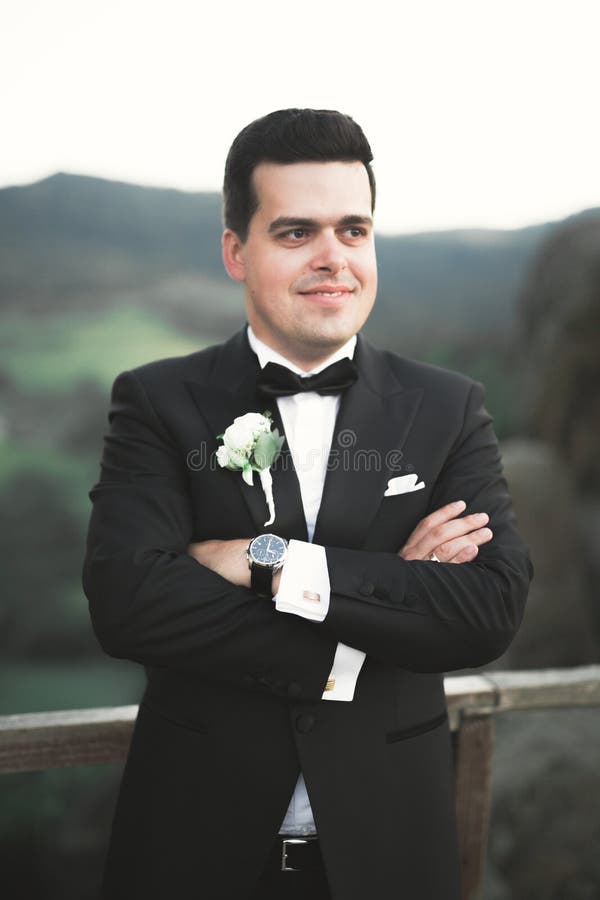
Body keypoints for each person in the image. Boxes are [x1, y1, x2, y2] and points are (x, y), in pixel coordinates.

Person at [82, 108, 532, 900]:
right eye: (297, 233)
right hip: (193, 852)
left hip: (395, 854)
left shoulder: (449, 406)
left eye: (354, 230)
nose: (334, 259)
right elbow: (130, 601)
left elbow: (487, 609)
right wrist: (379, 618)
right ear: (236, 251)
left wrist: (268, 565)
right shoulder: (156, 402)